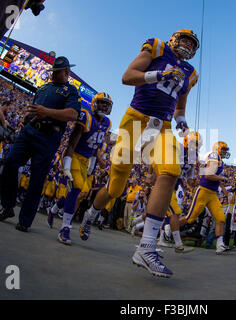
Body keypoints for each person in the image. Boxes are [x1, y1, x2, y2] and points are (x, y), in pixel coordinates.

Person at [80, 29, 200, 278]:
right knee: (116, 187)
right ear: (173, 40)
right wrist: (160, 74)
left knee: (170, 171)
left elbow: (179, 106)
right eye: (185, 39)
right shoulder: (157, 47)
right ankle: (91, 214)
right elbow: (127, 76)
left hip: (162, 126)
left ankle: (146, 248)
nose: (188, 44)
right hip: (135, 121)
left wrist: (182, 121)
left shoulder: (191, 73)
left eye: (192, 43)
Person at [0, 56, 81, 231]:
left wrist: (47, 112)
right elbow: (36, 107)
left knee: (36, 179)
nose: (54, 75)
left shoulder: (70, 90)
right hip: (30, 130)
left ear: (66, 72)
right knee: (10, 162)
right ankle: (7, 205)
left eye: (57, 72)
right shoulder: (43, 87)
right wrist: (27, 117)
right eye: (53, 71)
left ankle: (25, 221)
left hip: (49, 137)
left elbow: (73, 114)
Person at [47, 92, 112, 244]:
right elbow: (71, 143)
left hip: (86, 160)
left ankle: (54, 209)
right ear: (94, 103)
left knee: (78, 193)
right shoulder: (86, 116)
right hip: (74, 155)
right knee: (75, 188)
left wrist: (95, 162)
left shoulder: (107, 123)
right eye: (102, 103)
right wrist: (67, 166)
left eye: (106, 104)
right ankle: (65, 228)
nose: (104, 106)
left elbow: (95, 145)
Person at [179, 141, 230, 254]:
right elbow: (208, 175)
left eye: (226, 149)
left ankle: (220, 245)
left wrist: (220, 179)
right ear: (217, 148)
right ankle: (167, 229)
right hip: (203, 192)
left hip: (212, 194)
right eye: (224, 149)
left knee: (220, 218)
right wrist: (222, 178)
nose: (225, 151)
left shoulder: (219, 160)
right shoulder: (214, 156)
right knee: (190, 218)